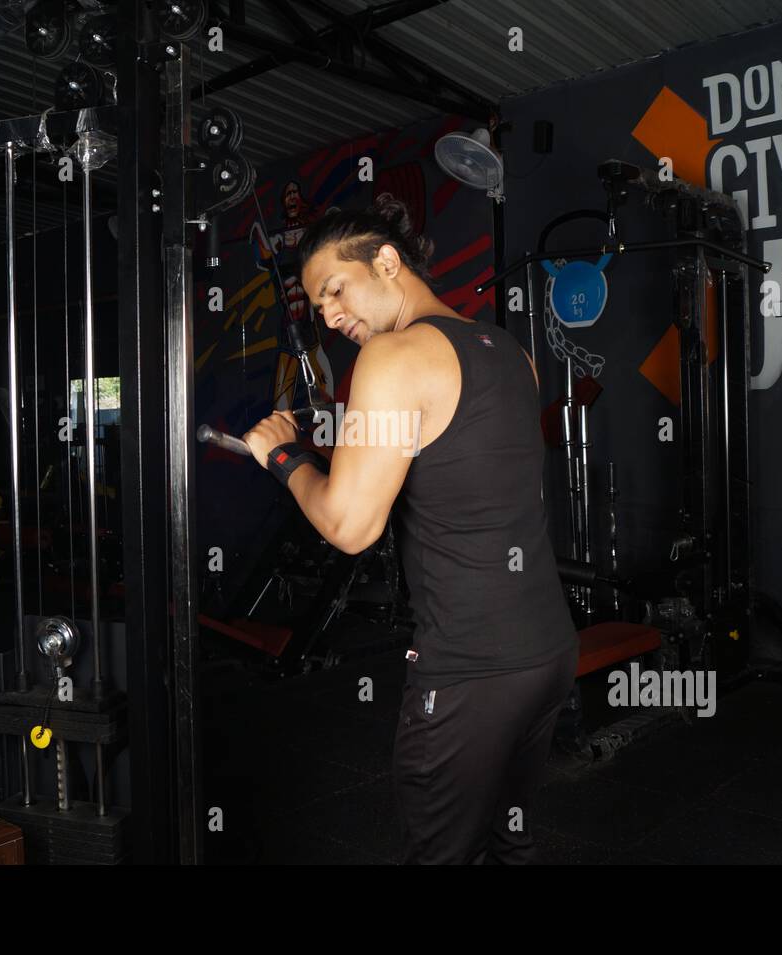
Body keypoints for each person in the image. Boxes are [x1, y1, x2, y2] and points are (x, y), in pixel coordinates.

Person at [242, 192, 578, 864]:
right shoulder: (512, 353)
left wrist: (283, 458)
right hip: (548, 653)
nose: (331, 316)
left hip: (471, 672)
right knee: (511, 844)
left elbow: (349, 524)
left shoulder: (394, 358)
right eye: (319, 307)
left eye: (336, 289)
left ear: (387, 261)